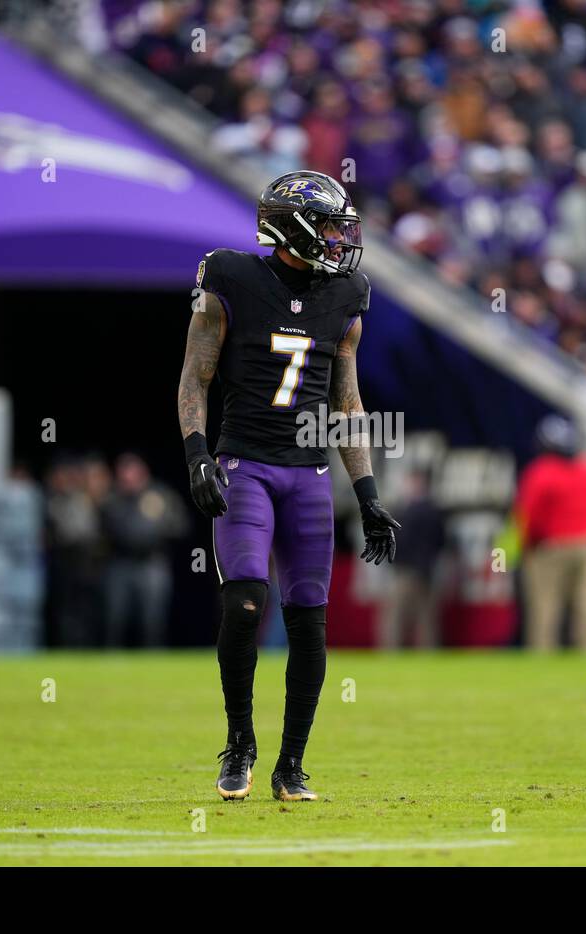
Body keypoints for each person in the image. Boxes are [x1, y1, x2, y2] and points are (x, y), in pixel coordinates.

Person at [177, 170, 400, 801]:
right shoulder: (231, 280)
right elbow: (195, 378)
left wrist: (368, 493)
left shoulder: (346, 295)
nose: (339, 238)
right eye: (329, 225)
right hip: (244, 464)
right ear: (293, 226)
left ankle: (291, 764)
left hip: (308, 476)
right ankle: (239, 742)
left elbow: (347, 402)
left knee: (309, 620)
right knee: (245, 602)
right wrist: (197, 456)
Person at [514, 416, 586, 653]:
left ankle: (543, 654)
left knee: (545, 606)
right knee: (584, 604)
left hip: (550, 547)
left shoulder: (540, 471)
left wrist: (520, 549)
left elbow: (527, 517)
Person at [99, 453, 188, 647]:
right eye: (123, 475)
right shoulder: (112, 498)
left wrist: (157, 531)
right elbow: (101, 529)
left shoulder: (160, 495)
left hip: (152, 563)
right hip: (120, 563)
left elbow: (181, 526)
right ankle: (111, 662)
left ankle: (154, 662)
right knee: (115, 617)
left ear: (143, 474)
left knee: (152, 619)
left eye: (131, 474)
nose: (127, 480)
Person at [378, 470, 445, 650]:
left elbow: (396, 541)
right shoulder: (434, 510)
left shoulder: (407, 512)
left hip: (406, 571)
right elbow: (441, 542)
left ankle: (391, 654)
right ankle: (428, 656)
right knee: (427, 620)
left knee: (395, 618)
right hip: (427, 570)